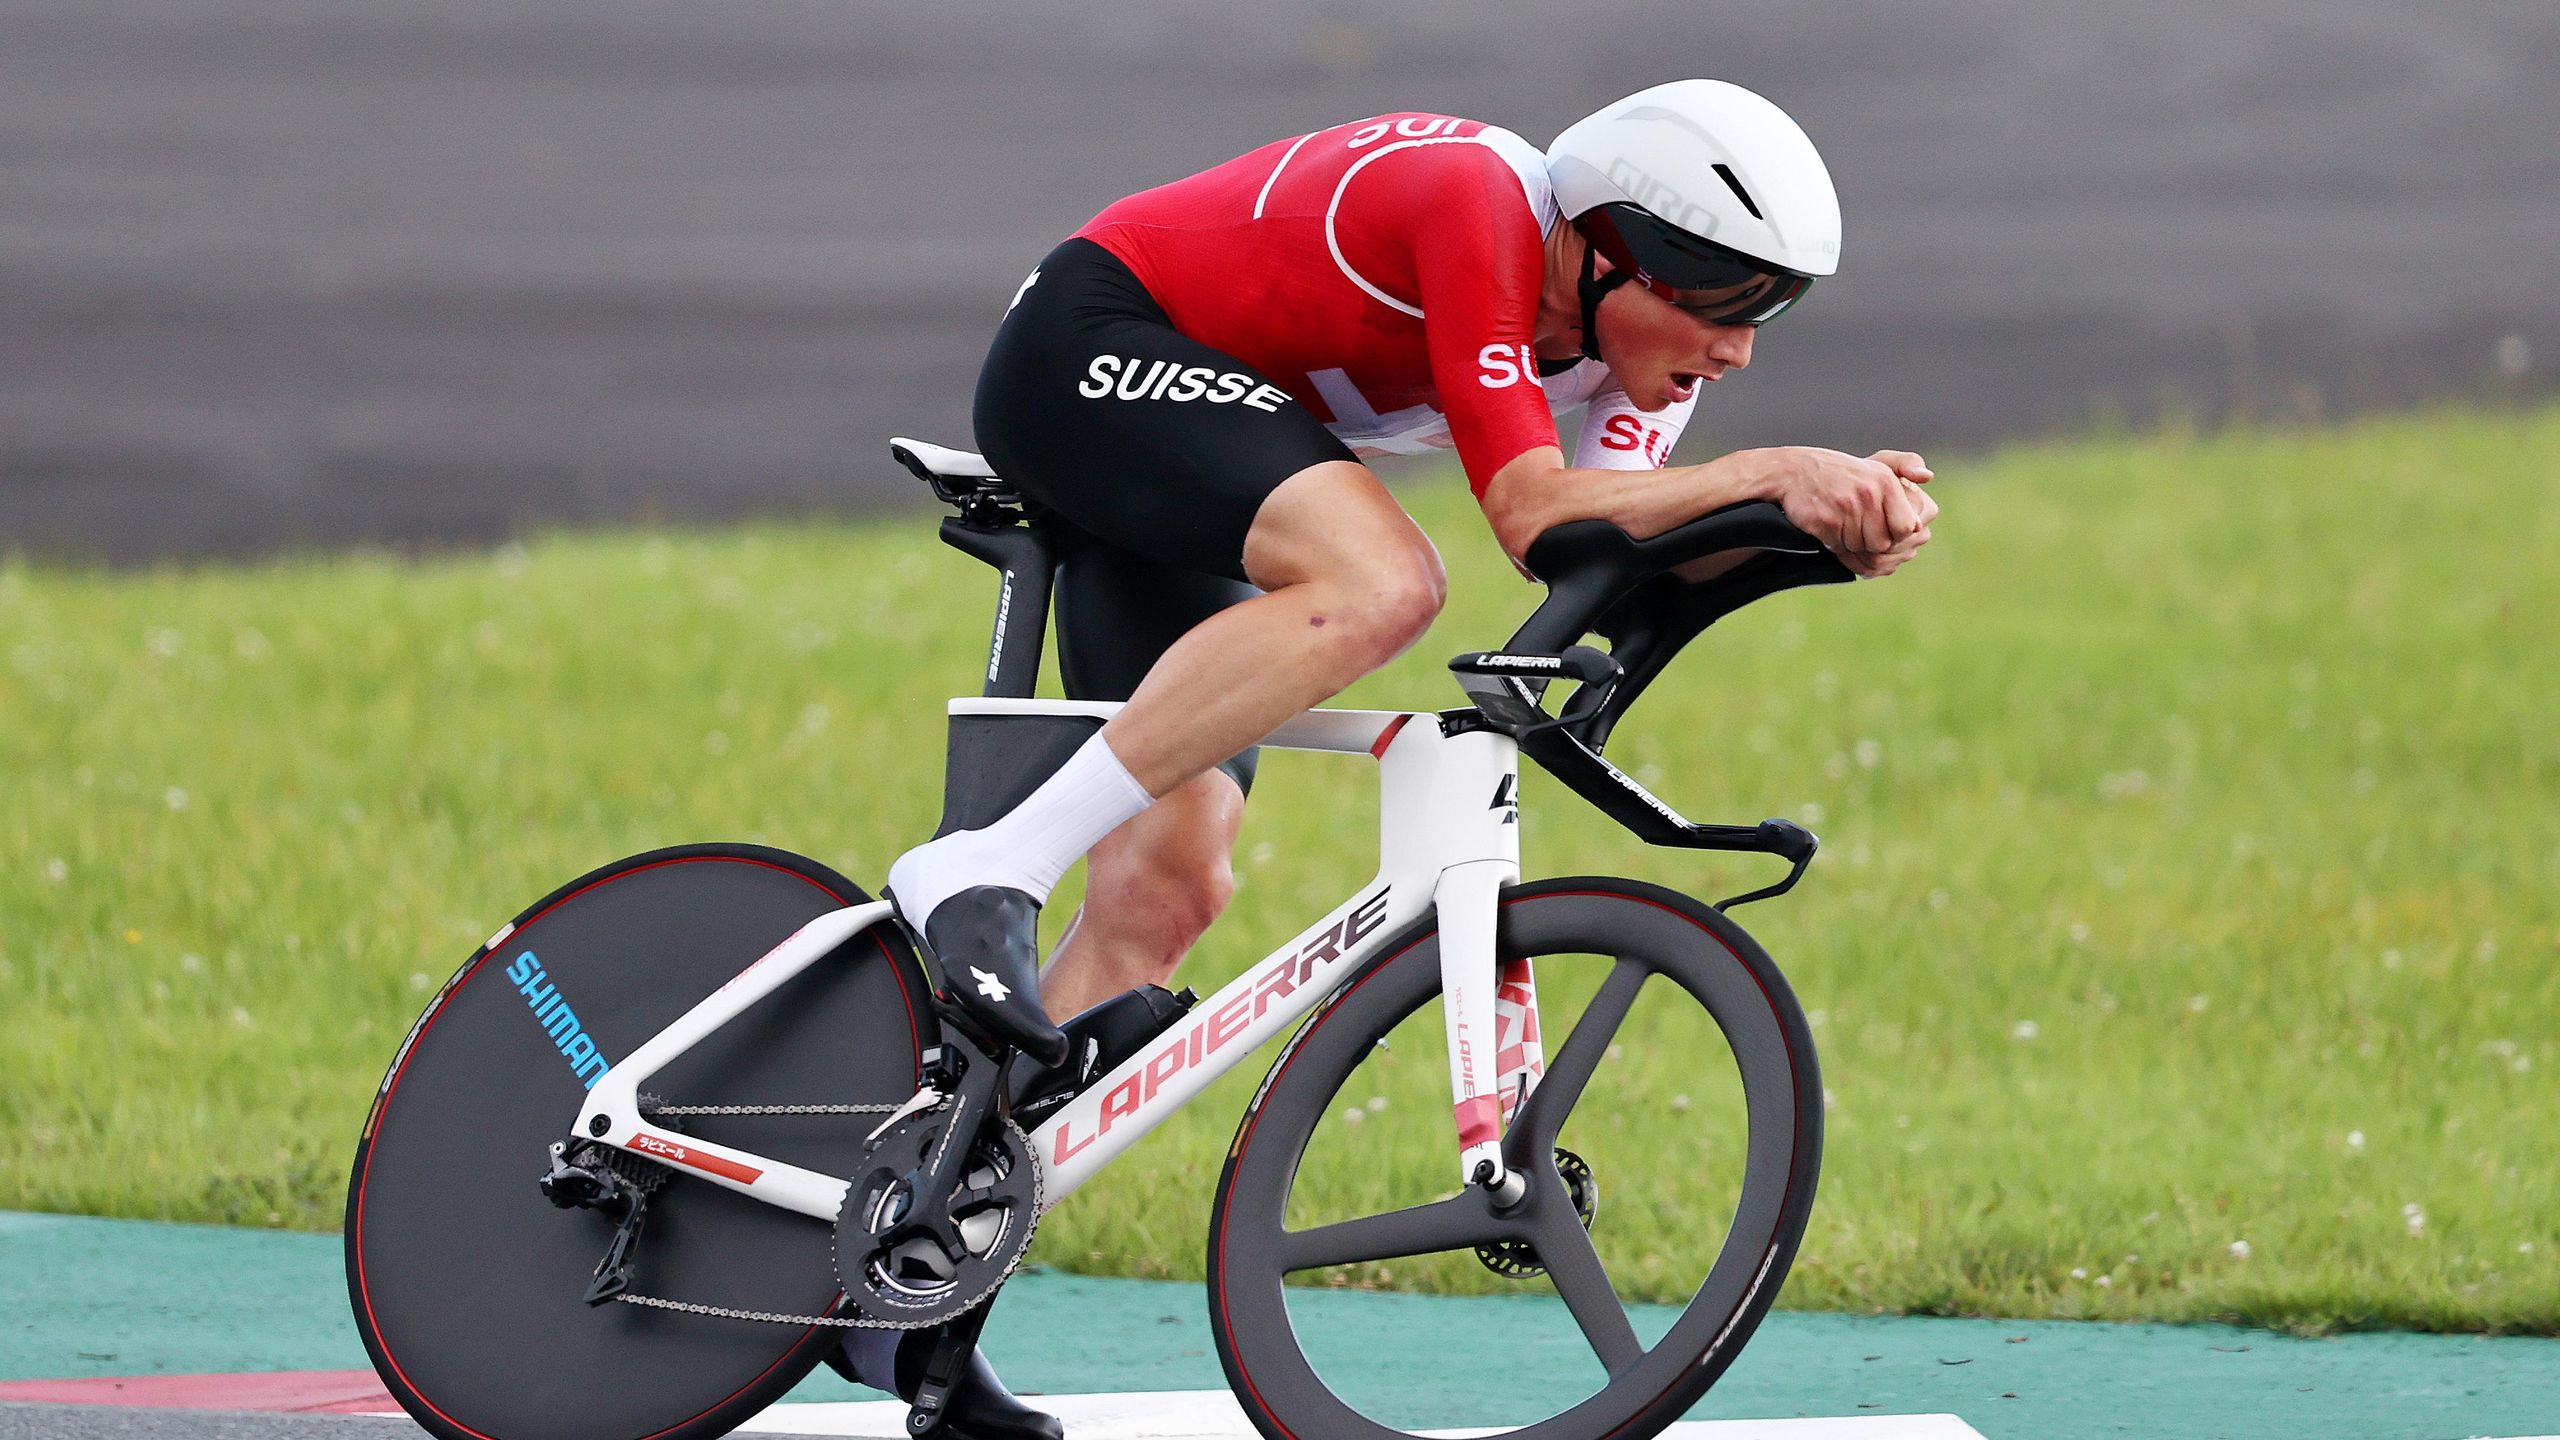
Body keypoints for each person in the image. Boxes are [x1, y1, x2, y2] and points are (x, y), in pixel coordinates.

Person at [844, 80, 1938, 1435]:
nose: (1741, 349)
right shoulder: (1477, 204)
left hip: (1200, 456)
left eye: (1774, 309)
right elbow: (1530, 508)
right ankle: (984, 865)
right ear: (1610, 251)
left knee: (1167, 889)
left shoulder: (1623, 356)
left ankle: (906, 1282)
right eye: (1725, 300)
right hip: (1093, 348)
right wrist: (1768, 473)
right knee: (1385, 582)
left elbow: (1591, 552)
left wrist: (1808, 535)